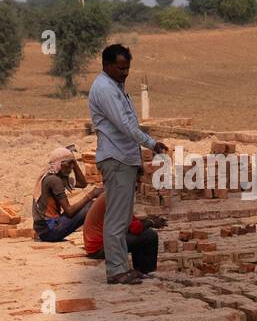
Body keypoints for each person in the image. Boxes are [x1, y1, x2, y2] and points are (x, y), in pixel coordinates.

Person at [89, 44, 167, 285]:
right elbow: (125, 126)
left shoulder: (117, 87)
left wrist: (137, 160)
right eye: (121, 68)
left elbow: (126, 127)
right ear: (107, 66)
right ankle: (116, 270)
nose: (125, 73)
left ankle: (121, 267)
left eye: (128, 68)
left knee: (122, 218)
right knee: (115, 219)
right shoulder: (104, 89)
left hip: (124, 158)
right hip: (115, 158)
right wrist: (152, 144)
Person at [82, 193, 164, 274]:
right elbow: (135, 228)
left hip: (95, 245)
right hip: (99, 248)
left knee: (142, 233)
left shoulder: (113, 192)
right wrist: (151, 222)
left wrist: (147, 221)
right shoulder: (118, 197)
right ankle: (146, 271)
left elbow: (129, 221)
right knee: (150, 235)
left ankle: (139, 269)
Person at [32, 146, 101, 242]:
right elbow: (69, 211)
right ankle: (97, 238)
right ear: (59, 164)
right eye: (69, 164)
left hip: (44, 230)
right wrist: (91, 194)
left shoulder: (58, 177)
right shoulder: (54, 180)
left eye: (72, 164)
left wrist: (74, 163)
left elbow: (82, 183)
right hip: (49, 231)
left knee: (91, 205)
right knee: (91, 206)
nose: (71, 167)